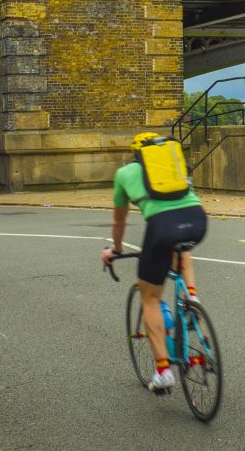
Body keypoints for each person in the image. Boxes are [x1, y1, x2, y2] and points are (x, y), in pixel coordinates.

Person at [101, 132, 207, 394]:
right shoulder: (171, 166)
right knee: (181, 249)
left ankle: (163, 371)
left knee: (149, 297)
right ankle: (192, 298)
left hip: (162, 227)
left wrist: (115, 249)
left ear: (136, 153)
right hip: (197, 219)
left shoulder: (125, 174)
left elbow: (119, 221)